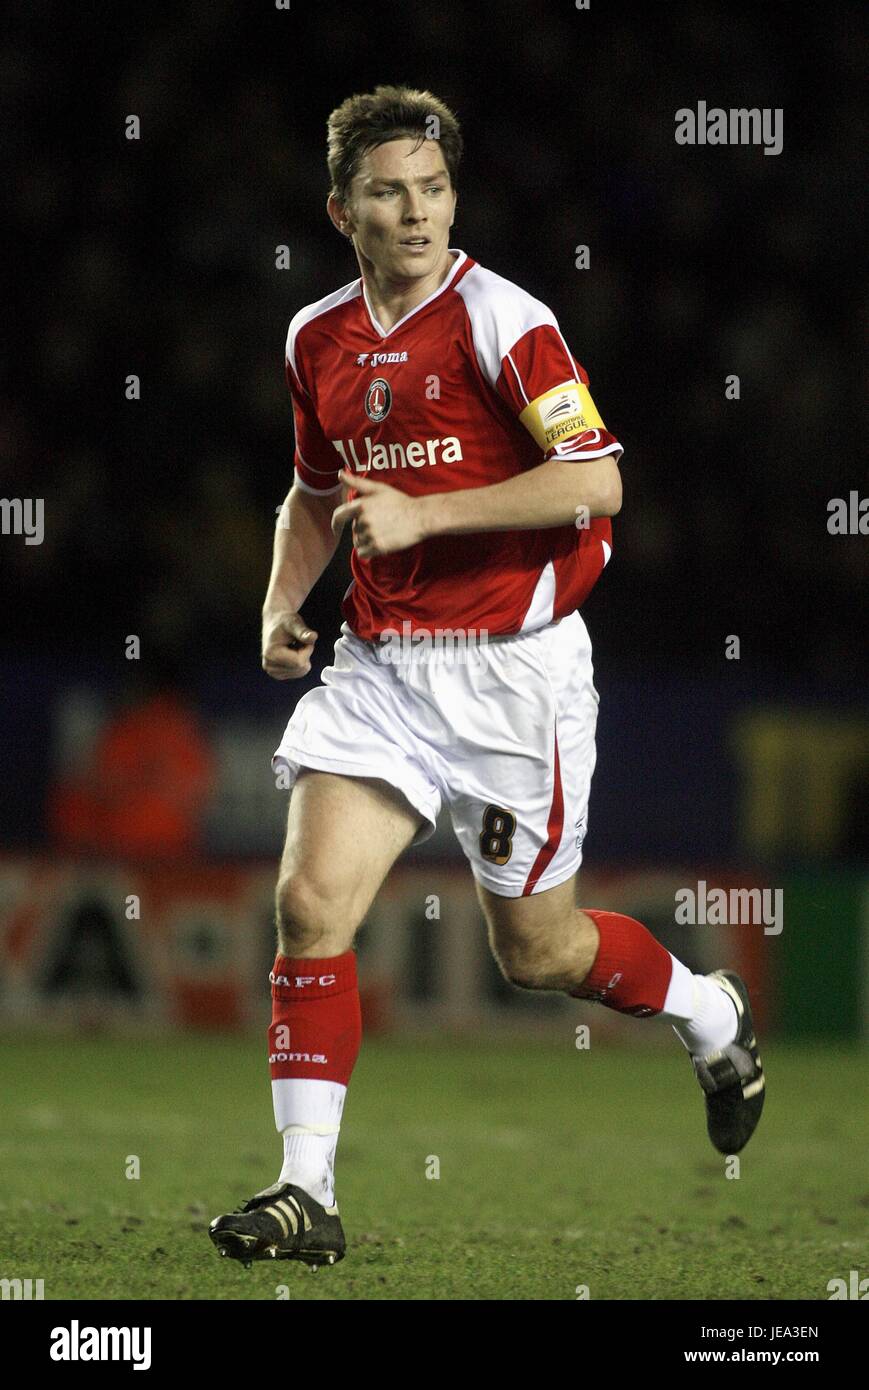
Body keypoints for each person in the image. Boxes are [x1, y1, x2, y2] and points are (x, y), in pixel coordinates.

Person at [209, 85, 764, 1271]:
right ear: (339, 209)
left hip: (514, 676)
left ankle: (709, 1014)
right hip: (380, 670)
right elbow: (316, 493)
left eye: (433, 189)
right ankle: (306, 1191)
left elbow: (596, 482)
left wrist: (430, 515)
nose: (415, 213)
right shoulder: (316, 337)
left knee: (538, 956)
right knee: (309, 904)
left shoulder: (505, 320)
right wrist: (277, 598)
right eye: (387, 192)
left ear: (453, 196)